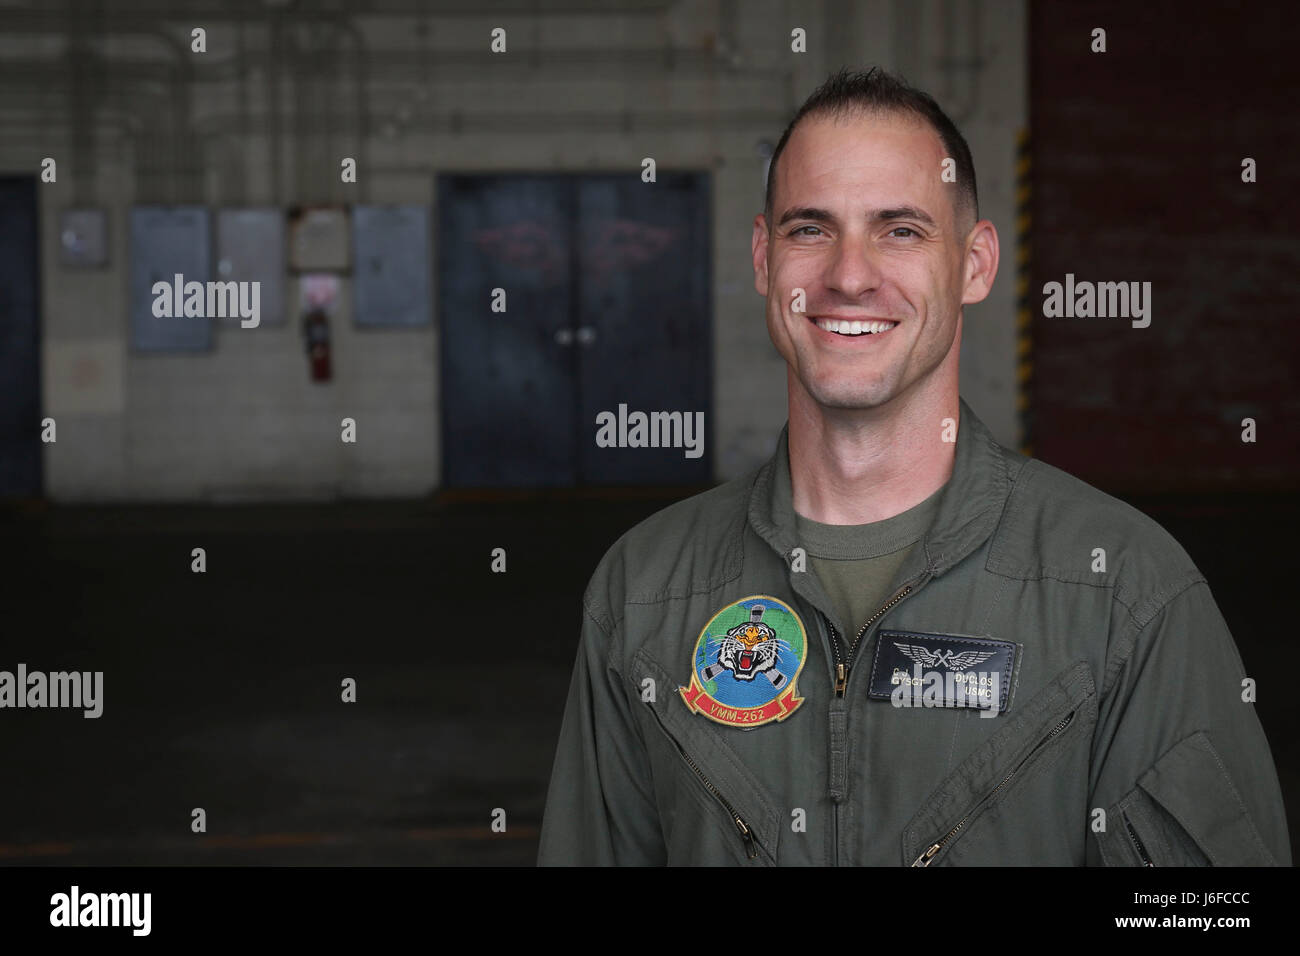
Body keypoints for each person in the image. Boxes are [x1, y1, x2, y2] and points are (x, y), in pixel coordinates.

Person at [537, 66, 1290, 866]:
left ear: (974, 263)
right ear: (764, 259)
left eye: (900, 229)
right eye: (809, 229)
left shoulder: (1126, 594)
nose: (850, 275)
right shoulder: (644, 589)